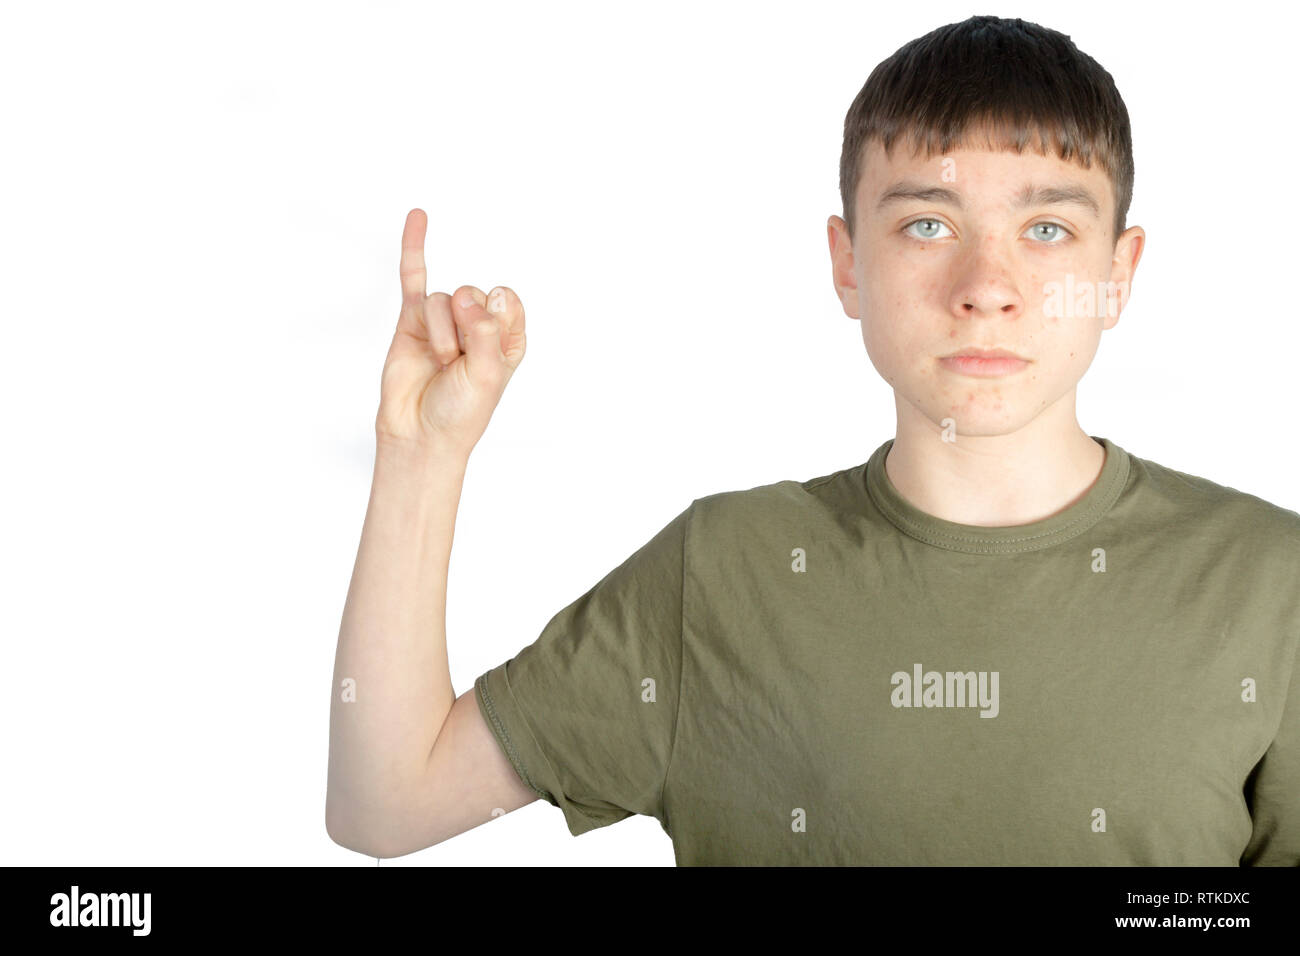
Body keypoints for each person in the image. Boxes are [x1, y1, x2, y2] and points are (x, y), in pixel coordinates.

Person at [325, 15, 1299, 865]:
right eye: (925, 222)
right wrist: (421, 456)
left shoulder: (1269, 582)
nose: (985, 283)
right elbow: (387, 803)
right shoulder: (720, 575)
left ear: (1118, 272)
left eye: (1047, 231)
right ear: (846, 265)